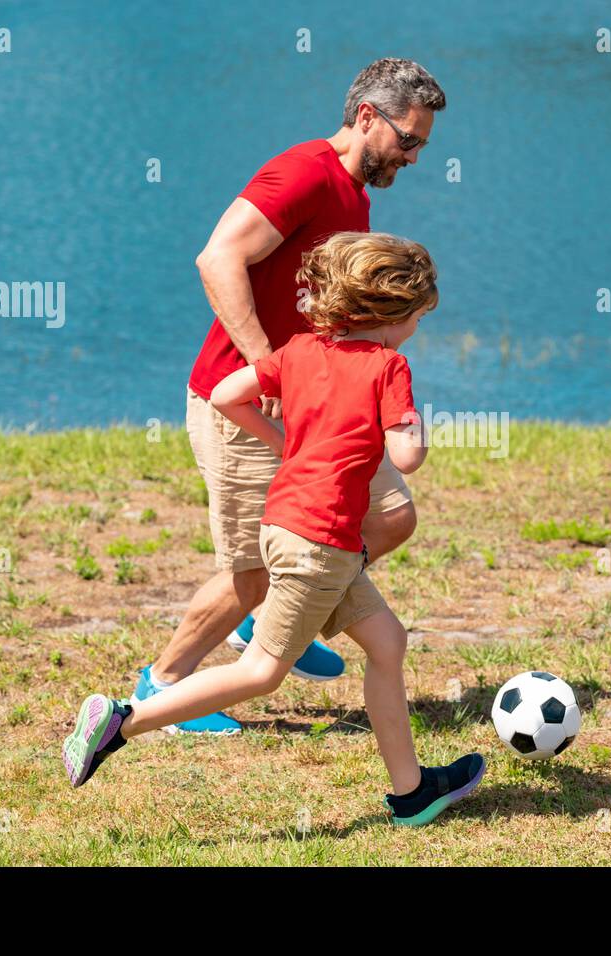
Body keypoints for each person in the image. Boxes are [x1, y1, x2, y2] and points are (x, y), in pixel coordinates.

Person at [63, 232, 485, 826]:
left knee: (387, 642)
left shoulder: (299, 351)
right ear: (393, 316)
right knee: (261, 672)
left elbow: (228, 392)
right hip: (321, 546)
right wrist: (411, 425)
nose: (417, 328)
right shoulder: (390, 366)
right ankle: (123, 721)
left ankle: (412, 791)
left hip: (287, 529)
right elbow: (407, 456)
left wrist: (288, 446)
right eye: (418, 316)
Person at [134, 58, 448, 733]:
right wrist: (265, 365)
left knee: (389, 514)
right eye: (408, 139)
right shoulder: (303, 172)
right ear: (367, 117)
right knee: (251, 572)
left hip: (313, 405)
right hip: (242, 403)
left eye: (422, 144)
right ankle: (161, 685)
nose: (415, 157)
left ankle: (284, 619)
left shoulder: (355, 196)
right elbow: (217, 258)